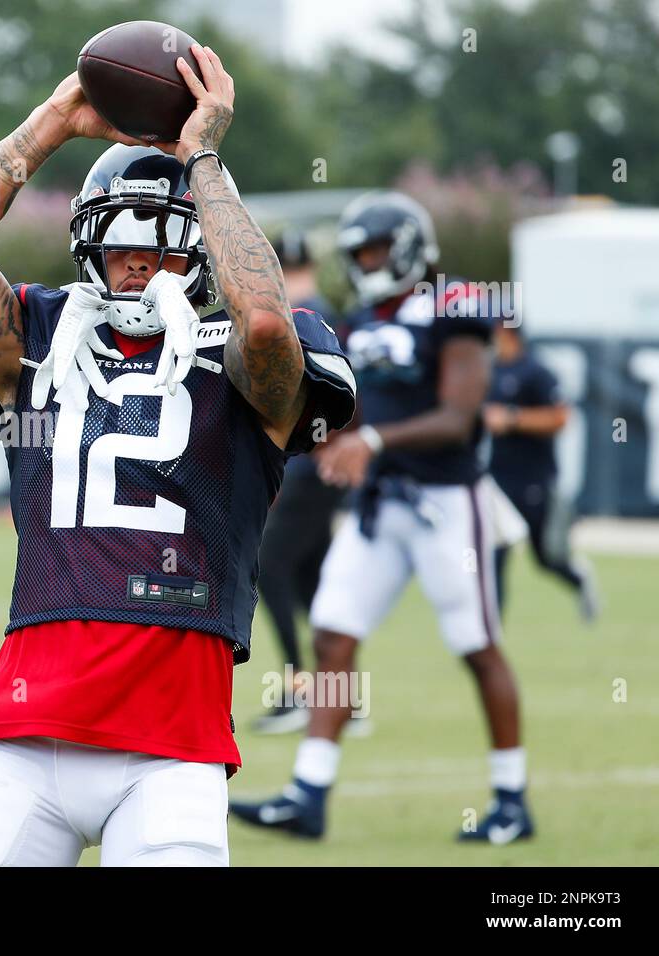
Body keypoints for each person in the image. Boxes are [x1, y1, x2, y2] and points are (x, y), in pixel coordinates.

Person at [0, 45, 355, 866]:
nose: (139, 261)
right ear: (86, 244)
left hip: (170, 745)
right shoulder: (40, 335)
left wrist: (203, 155)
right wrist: (54, 121)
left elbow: (263, 325)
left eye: (163, 240)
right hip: (24, 730)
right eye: (119, 241)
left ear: (205, 251)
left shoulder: (245, 350)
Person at [230, 192, 536, 845]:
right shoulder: (365, 320)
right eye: (359, 252)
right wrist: (323, 444)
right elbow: (359, 413)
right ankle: (308, 793)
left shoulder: (455, 309)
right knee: (334, 635)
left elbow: (458, 417)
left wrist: (371, 445)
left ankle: (512, 799)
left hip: (450, 505)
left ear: (406, 249)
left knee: (477, 646)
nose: (367, 262)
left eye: (376, 250)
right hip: (382, 506)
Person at [251, 230, 352, 735]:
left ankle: (300, 693)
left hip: (315, 465)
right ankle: (342, 700)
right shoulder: (321, 311)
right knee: (311, 580)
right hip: (320, 466)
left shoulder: (309, 315)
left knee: (270, 568)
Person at [486, 321, 599, 621]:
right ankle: (490, 632)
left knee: (546, 557)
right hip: (498, 479)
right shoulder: (491, 370)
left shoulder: (536, 371)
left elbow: (561, 418)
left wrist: (512, 418)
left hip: (534, 480)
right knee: (495, 552)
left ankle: (579, 577)